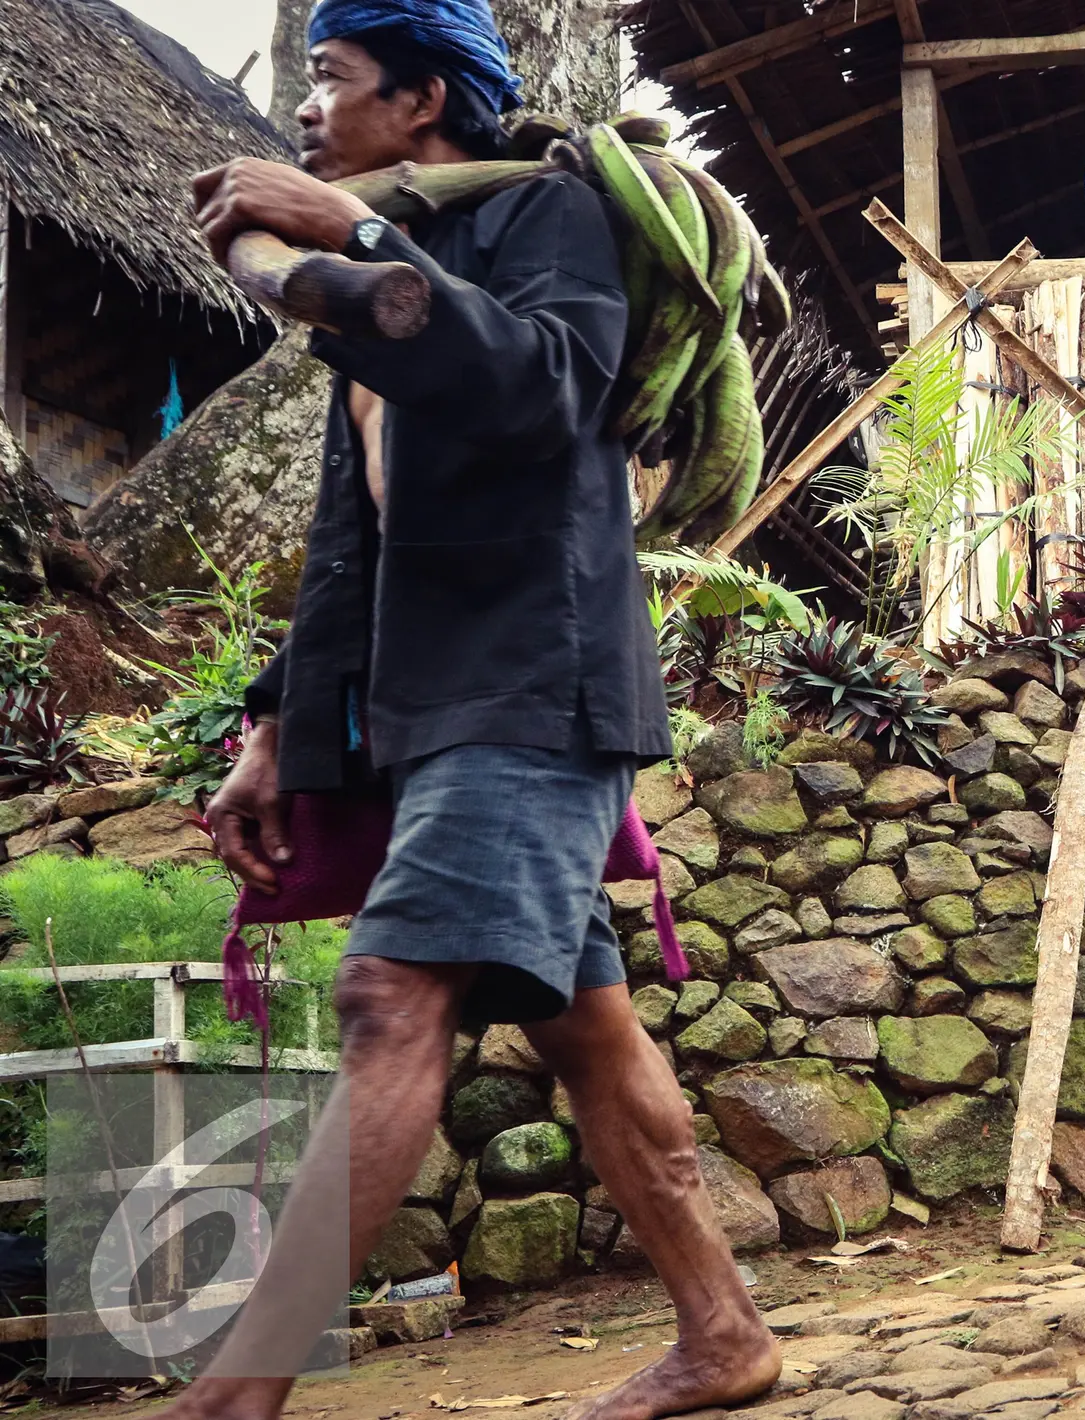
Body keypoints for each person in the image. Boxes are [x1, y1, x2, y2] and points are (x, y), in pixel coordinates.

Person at [174, 4, 778, 1418]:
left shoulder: (544, 216)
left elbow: (545, 386)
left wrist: (355, 239)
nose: (306, 110)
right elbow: (353, 538)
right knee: (585, 1031)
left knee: (392, 997)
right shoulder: (368, 274)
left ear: (425, 96)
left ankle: (234, 1396)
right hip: (430, 695)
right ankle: (723, 1333)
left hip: (535, 676)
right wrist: (277, 729)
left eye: (329, 83)